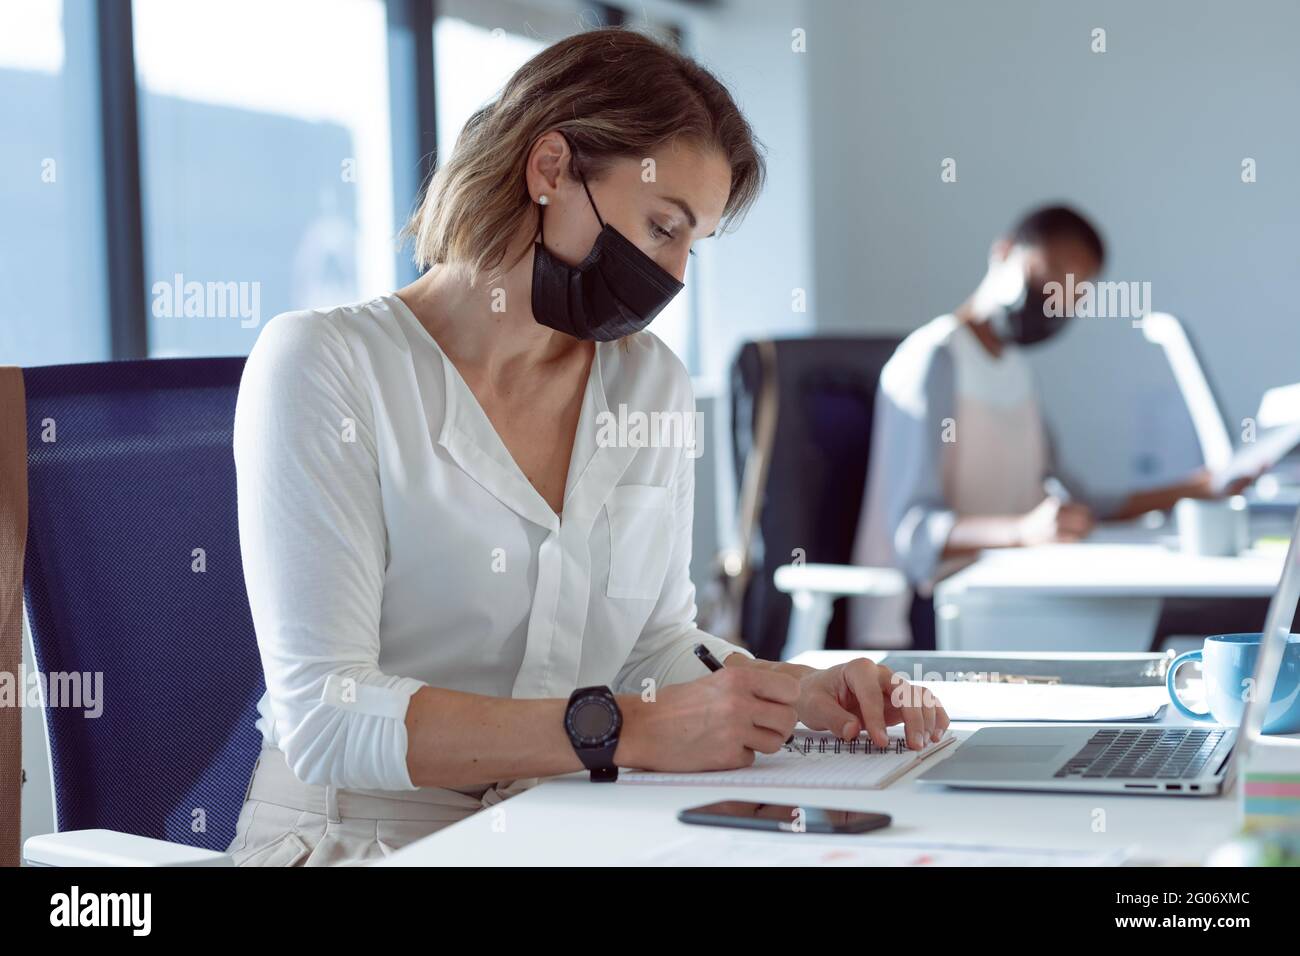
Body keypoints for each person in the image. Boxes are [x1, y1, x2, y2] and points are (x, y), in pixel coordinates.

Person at [227, 28, 948, 867]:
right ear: (551, 170)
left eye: (692, 245)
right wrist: (625, 728)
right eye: (661, 227)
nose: (675, 275)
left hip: (560, 827)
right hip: (359, 838)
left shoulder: (649, 385)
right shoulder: (328, 365)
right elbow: (327, 713)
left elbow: (655, 644)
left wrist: (789, 691)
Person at [849, 205, 1252, 650]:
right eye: (1053, 273)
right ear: (1003, 253)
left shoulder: (1016, 370)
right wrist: (1022, 531)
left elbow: (1075, 500)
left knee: (1166, 623)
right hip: (930, 612)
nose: (1058, 297)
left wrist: (1196, 488)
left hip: (1007, 586)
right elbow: (912, 531)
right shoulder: (933, 358)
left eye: (1076, 291)